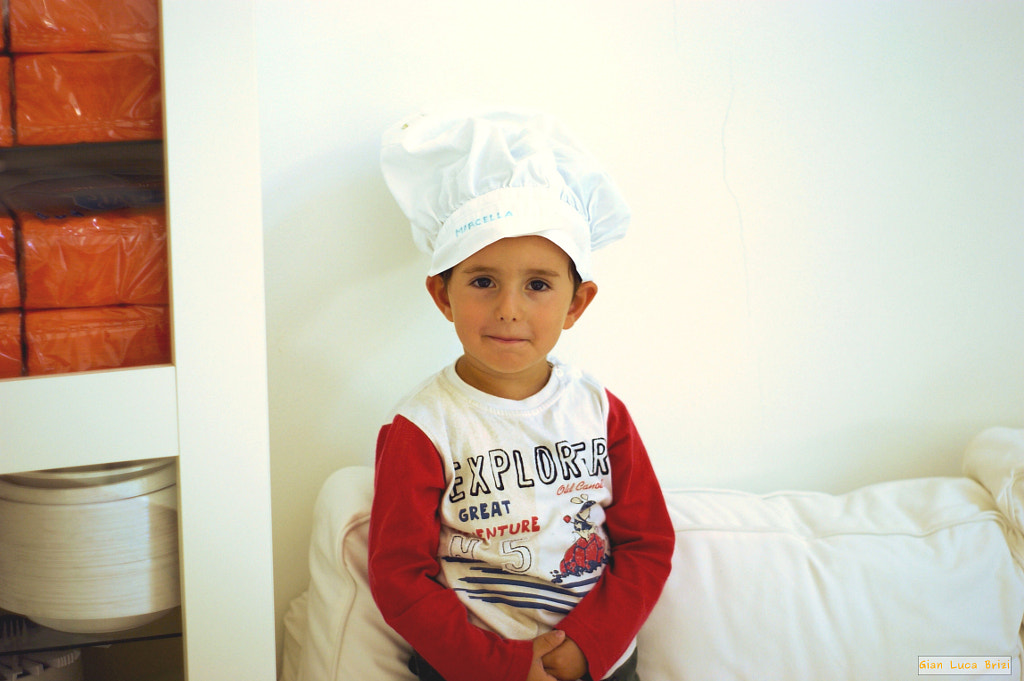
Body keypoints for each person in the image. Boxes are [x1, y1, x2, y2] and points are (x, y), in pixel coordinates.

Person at [368, 103, 675, 681]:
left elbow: (648, 542)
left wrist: (588, 646)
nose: (509, 310)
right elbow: (399, 577)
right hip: (470, 667)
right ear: (443, 296)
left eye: (538, 284)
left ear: (576, 303)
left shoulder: (599, 411)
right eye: (483, 281)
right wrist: (500, 666)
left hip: (597, 663)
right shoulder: (422, 426)